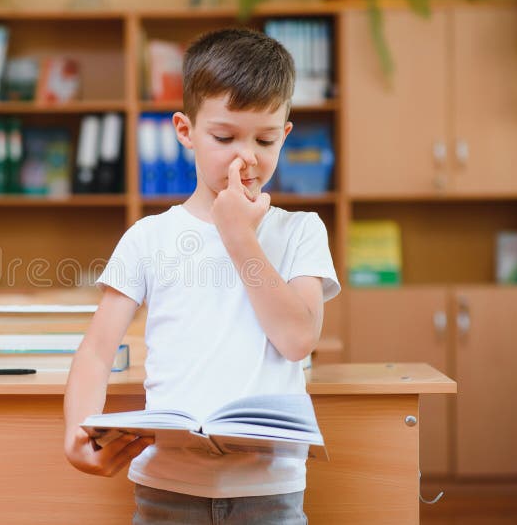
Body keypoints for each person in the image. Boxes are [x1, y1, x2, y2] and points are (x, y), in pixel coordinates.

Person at [63, 27, 340, 524]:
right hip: (167, 487)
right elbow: (96, 350)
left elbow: (298, 338)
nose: (247, 157)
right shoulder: (149, 237)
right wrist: (75, 430)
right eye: (224, 137)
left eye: (266, 138)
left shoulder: (301, 232)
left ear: (286, 134)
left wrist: (238, 236)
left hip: (269, 491)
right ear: (185, 131)